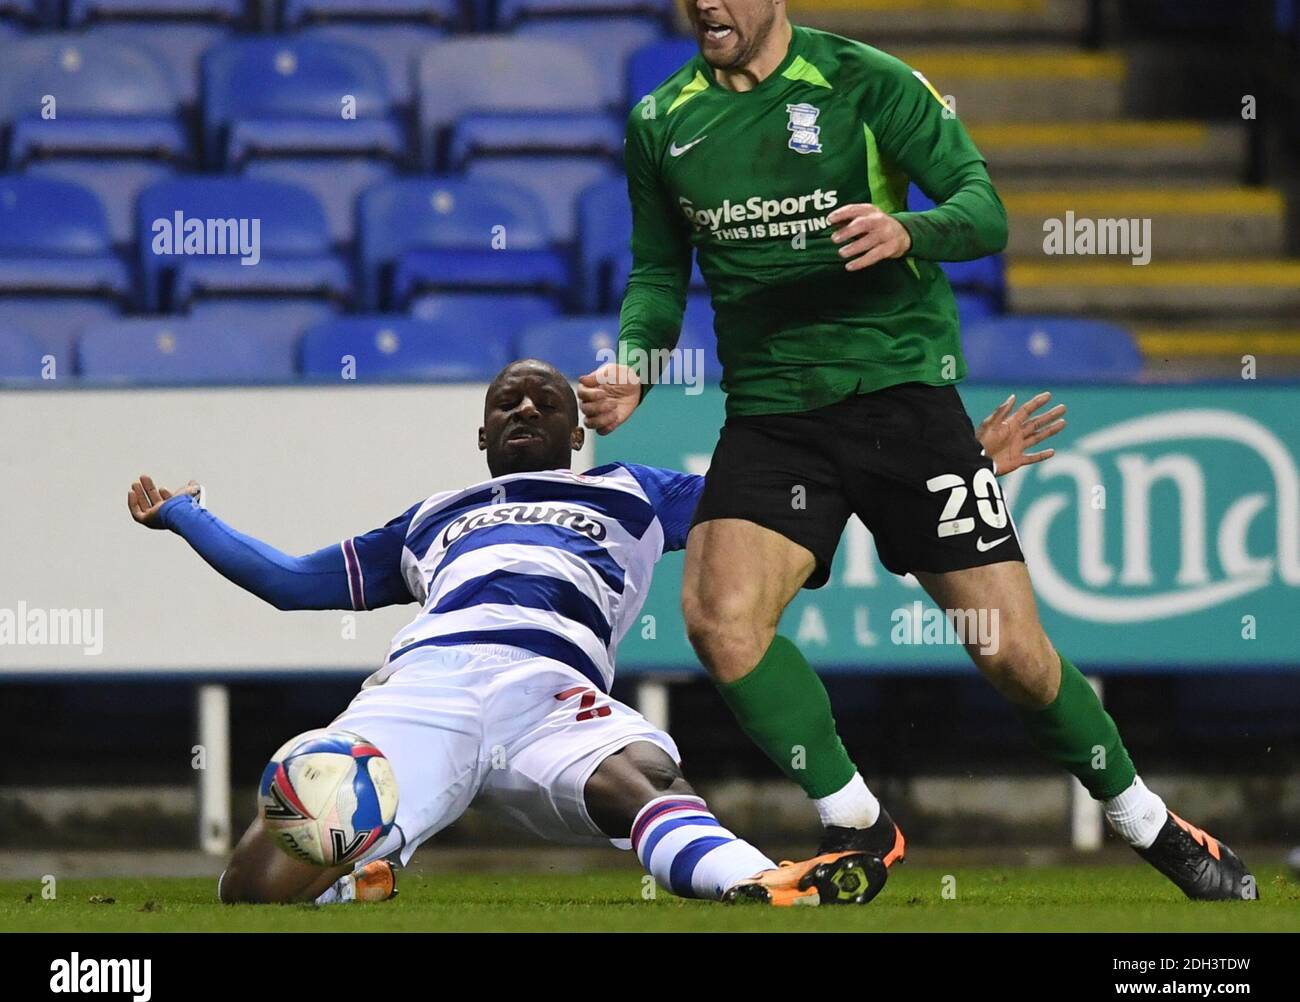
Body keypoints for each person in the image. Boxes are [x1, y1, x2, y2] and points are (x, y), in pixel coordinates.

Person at [577, 0, 1255, 903]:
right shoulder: (661, 123)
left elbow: (984, 212)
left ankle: (1147, 819)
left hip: (901, 401)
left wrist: (908, 230)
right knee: (718, 617)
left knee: (1015, 657)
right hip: (774, 414)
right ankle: (859, 823)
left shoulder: (867, 83)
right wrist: (635, 357)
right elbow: (661, 273)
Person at [128, 359, 1062, 907]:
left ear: (580, 429)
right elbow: (292, 583)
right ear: (483, 435)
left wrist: (957, 472)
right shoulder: (429, 516)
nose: (525, 407)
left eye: (544, 400)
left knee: (642, 780)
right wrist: (185, 517)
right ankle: (353, 873)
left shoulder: (637, 491)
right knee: (253, 885)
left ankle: (758, 884)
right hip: (422, 693)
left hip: (553, 694)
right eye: (506, 402)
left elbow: (795, 511)